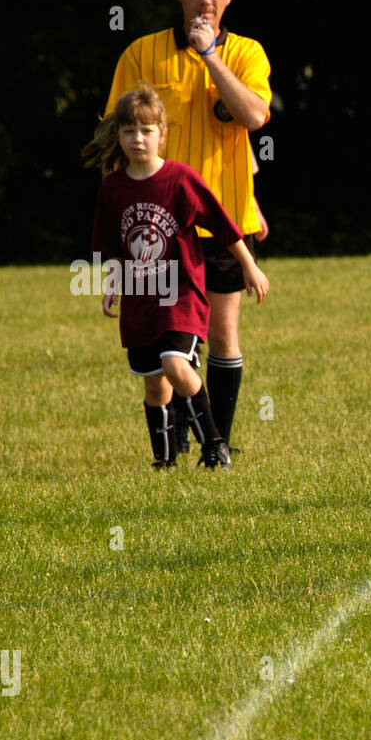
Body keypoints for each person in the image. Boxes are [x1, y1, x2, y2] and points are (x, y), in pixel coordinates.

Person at [105, 0, 272, 458]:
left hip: (225, 216)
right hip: (160, 225)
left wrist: (210, 57)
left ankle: (217, 441)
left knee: (221, 332)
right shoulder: (141, 53)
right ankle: (175, 439)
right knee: (164, 333)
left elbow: (255, 117)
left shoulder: (246, 53)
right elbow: (116, 132)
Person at [84, 85, 269, 470]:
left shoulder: (181, 179)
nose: (138, 138)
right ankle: (164, 461)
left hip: (180, 290)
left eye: (147, 130)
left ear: (163, 134)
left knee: (174, 364)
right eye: (129, 130)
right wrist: (113, 283)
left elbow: (222, 225)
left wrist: (249, 264)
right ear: (118, 134)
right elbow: (113, 242)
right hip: (141, 295)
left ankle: (214, 445)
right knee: (154, 382)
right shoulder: (112, 187)